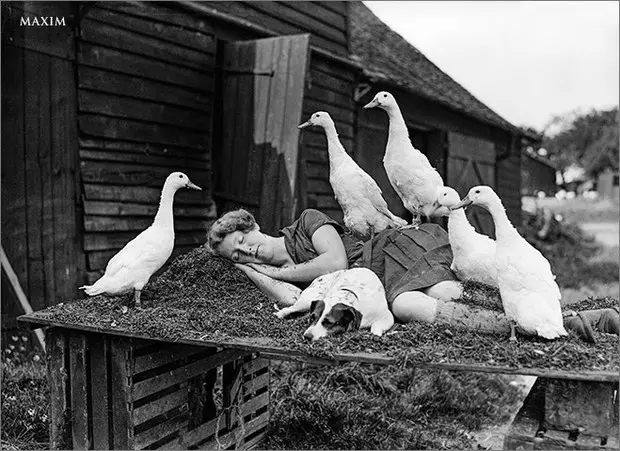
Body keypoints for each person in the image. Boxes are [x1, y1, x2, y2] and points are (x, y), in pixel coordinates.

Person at [207, 208, 619, 340]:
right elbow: (286, 300)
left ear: (251, 224)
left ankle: (553, 315)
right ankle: (563, 325)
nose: (246, 248)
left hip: (395, 250)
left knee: (443, 288)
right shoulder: (283, 274)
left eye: (242, 239)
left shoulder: (307, 222)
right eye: (237, 254)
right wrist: (250, 269)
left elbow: (335, 265)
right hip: (379, 286)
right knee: (407, 305)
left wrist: (278, 267)